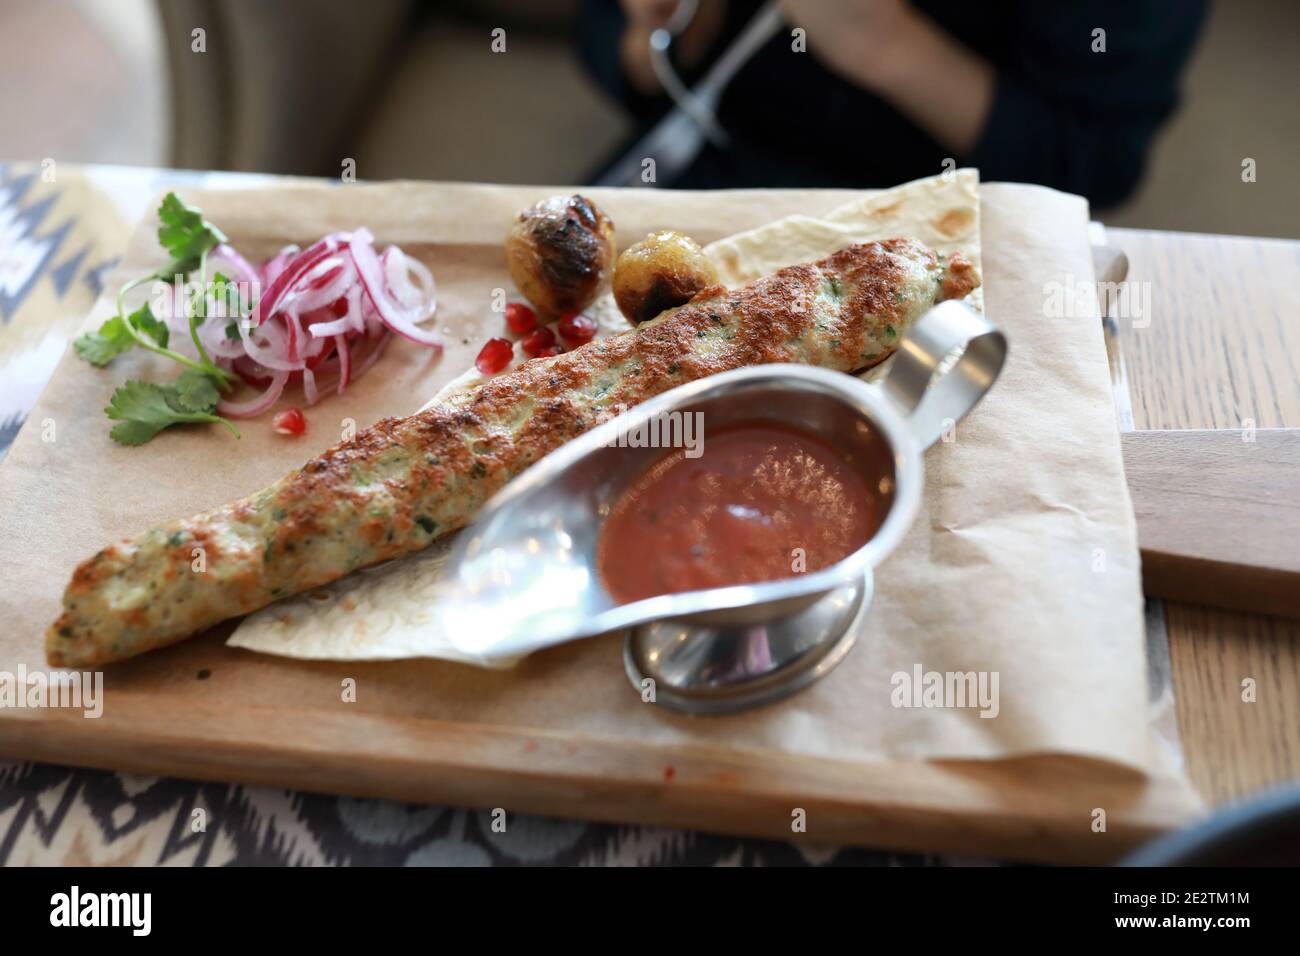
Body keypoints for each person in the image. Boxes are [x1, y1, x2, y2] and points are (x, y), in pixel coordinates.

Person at [578, 0, 1208, 207]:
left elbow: (1093, 167)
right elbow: (609, 42)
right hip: (700, 176)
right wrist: (670, 33)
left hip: (944, 227)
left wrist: (886, 45)